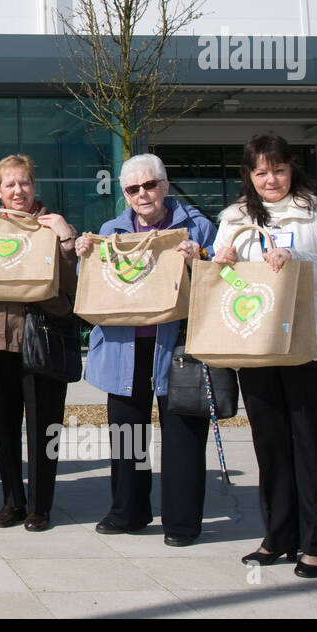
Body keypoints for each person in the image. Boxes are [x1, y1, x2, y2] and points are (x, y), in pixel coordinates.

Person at [212, 132, 317, 579]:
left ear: (292, 168)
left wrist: (298, 259)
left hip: (311, 345)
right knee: (270, 444)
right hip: (256, 344)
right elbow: (223, 283)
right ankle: (279, 534)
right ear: (249, 176)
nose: (270, 179)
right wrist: (220, 261)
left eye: (277, 169)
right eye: (260, 172)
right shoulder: (235, 217)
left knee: (313, 445)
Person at [75, 154, 215, 545]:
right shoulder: (111, 229)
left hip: (179, 345)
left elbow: (223, 276)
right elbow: (92, 285)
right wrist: (83, 256)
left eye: (150, 185)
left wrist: (199, 259)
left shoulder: (196, 226)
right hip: (125, 346)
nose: (142, 194)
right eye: (133, 189)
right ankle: (128, 512)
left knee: (182, 436)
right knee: (126, 435)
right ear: (124, 194)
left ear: (165, 186)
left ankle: (182, 522)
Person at [0, 154, 78, 531]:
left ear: (34, 186)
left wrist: (67, 238)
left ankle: (40, 505)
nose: (18, 191)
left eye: (24, 183)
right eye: (10, 184)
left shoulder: (52, 226)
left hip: (41, 337)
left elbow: (72, 285)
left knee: (43, 425)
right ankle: (12, 501)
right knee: (3, 426)